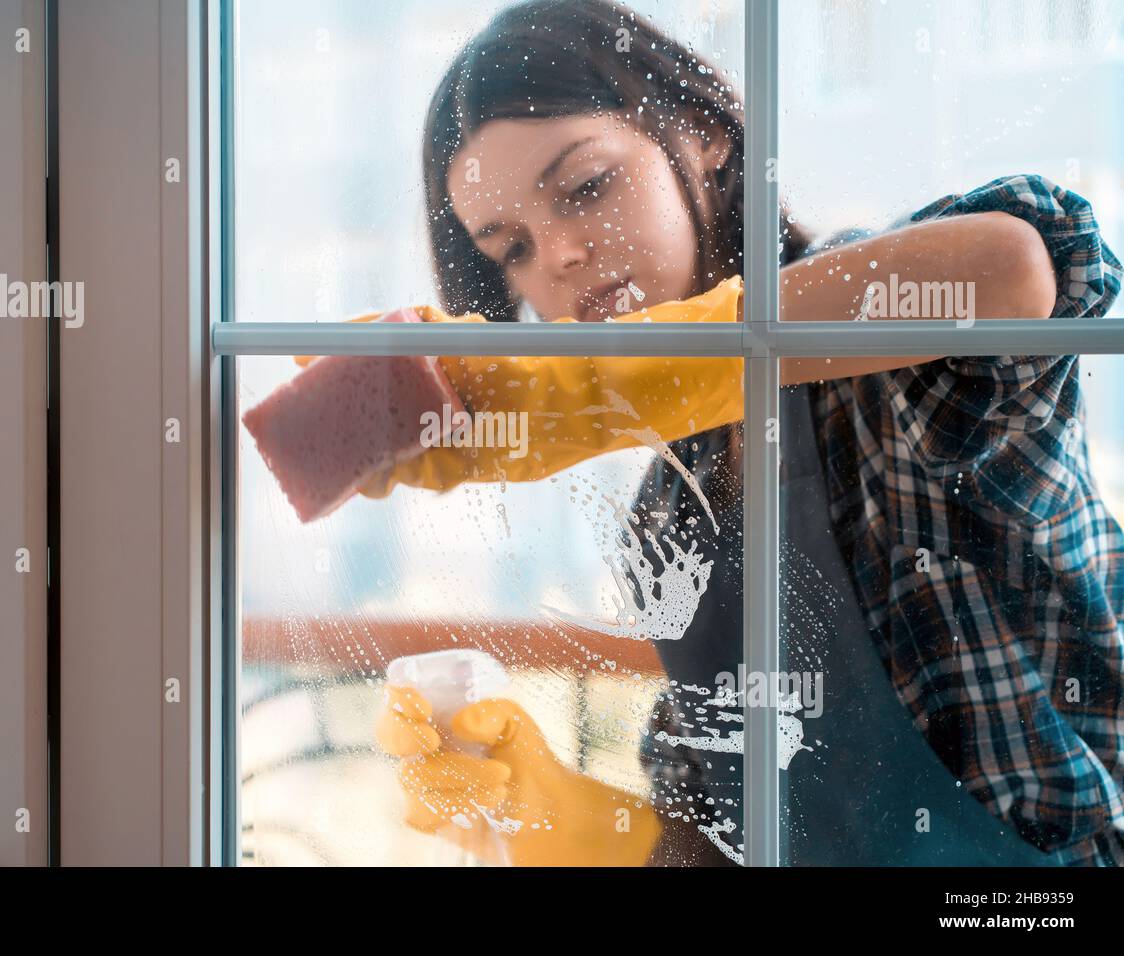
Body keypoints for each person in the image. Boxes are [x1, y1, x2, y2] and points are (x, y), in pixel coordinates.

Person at [370, 0, 1123, 866]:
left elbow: (1023, 266)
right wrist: (557, 815)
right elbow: (726, 843)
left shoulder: (879, 367)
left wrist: (626, 377)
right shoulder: (667, 521)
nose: (560, 258)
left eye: (585, 187)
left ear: (702, 136)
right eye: (510, 250)